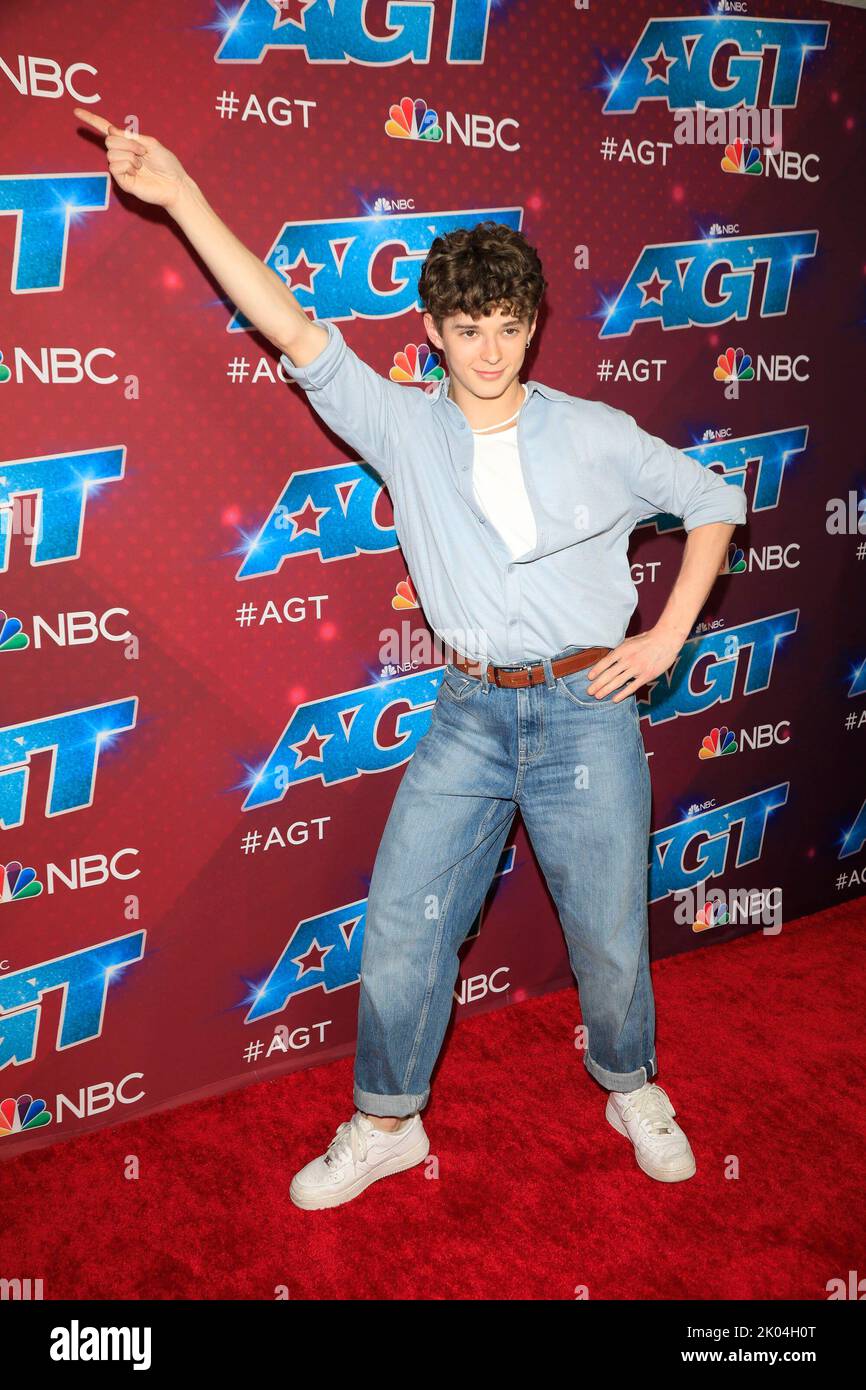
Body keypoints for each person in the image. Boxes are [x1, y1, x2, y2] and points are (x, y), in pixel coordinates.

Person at [75, 107, 748, 1210]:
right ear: (431, 330)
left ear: (532, 327)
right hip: (468, 715)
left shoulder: (594, 431)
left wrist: (666, 635)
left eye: (506, 325)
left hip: (586, 709)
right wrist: (182, 195)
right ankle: (385, 1121)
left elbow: (712, 499)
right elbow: (288, 324)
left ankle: (628, 1085)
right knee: (398, 924)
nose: (487, 349)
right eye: (465, 326)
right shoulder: (399, 426)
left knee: (610, 935)